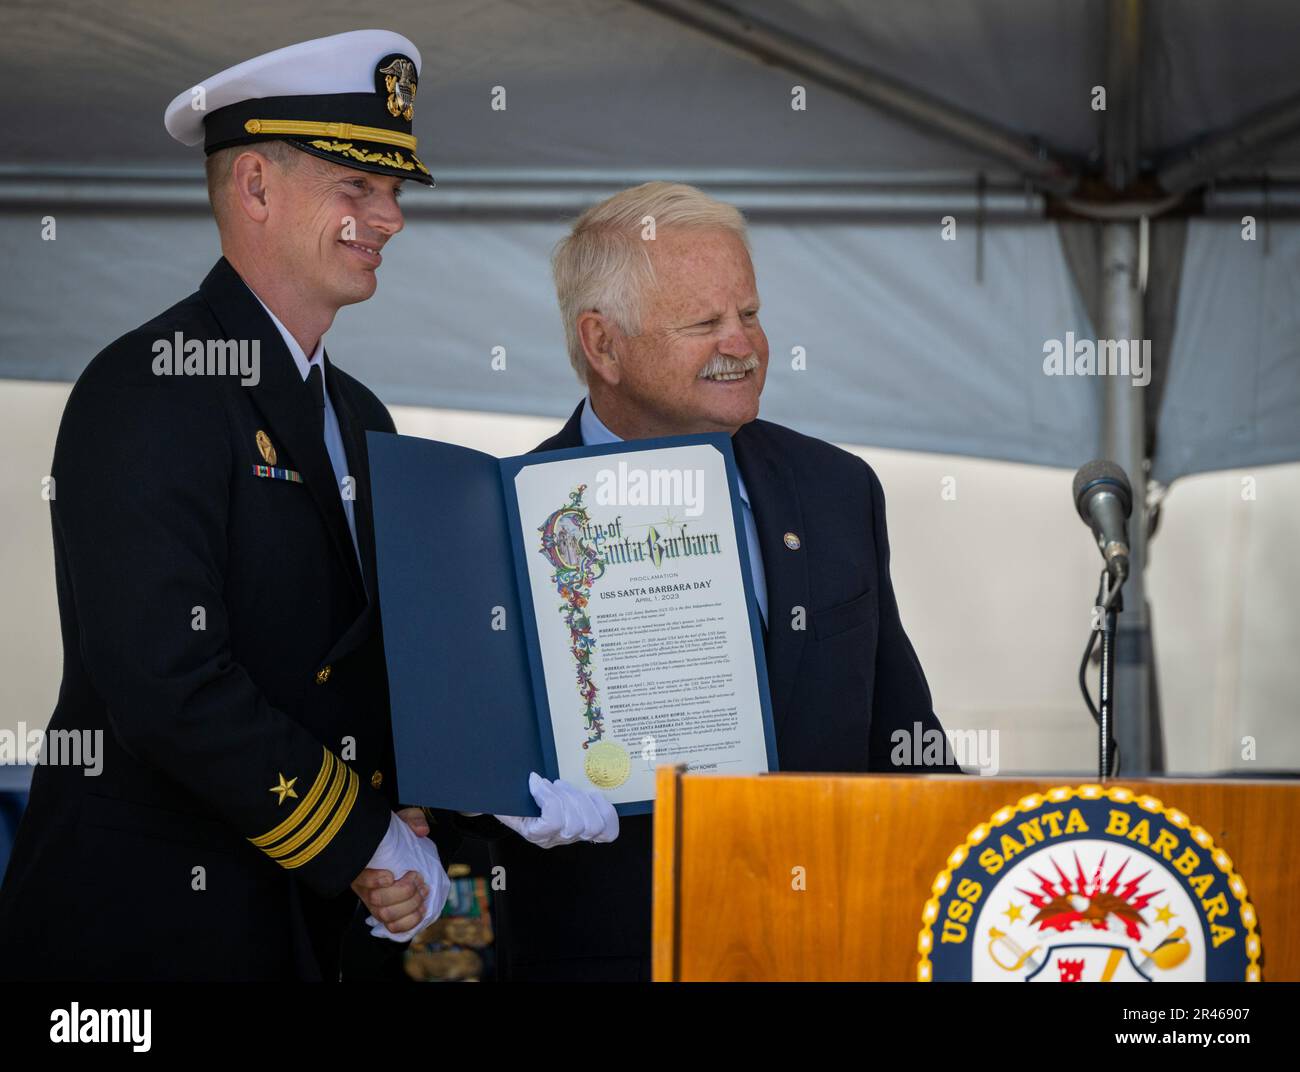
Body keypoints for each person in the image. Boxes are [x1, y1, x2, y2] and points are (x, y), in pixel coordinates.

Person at [0, 29, 452, 981]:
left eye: (396, 191)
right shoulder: (151, 384)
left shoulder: (360, 414)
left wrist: (413, 806)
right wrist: (364, 836)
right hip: (151, 932)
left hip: (307, 923)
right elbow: (167, 685)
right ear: (255, 186)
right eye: (358, 187)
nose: (391, 218)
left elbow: (362, 665)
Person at [469, 181, 961, 981]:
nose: (742, 343)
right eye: (704, 323)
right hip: (612, 954)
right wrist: (500, 799)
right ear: (604, 345)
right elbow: (456, 774)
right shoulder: (505, 519)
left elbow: (902, 733)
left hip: (825, 944)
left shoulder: (835, 489)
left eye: (752, 313)